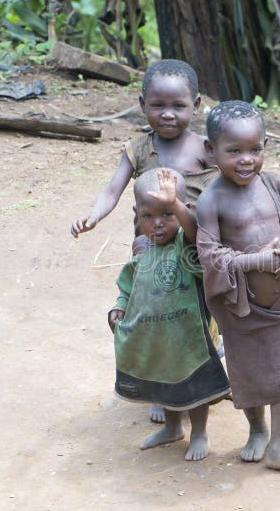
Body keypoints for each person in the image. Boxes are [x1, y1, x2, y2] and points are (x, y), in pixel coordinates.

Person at [70, 59, 220, 422]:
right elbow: (113, 190)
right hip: (151, 247)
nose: (168, 114)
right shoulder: (137, 149)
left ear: (196, 105)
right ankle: (159, 385)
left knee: (200, 311)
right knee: (153, 314)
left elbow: (228, 188)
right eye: (158, 105)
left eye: (179, 106)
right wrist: (93, 215)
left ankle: (206, 371)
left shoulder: (207, 147)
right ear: (142, 105)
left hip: (194, 246)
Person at [196, 101, 280, 474]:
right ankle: (257, 429)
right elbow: (211, 255)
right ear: (211, 151)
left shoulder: (276, 184)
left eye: (255, 149)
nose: (246, 159)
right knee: (249, 371)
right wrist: (256, 262)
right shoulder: (211, 200)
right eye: (234, 151)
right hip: (244, 306)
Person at [108, 168, 229, 461]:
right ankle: (172, 428)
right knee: (163, 387)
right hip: (157, 341)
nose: (158, 224)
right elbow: (128, 286)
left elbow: (195, 231)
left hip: (190, 341)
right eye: (148, 216)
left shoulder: (186, 246)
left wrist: (177, 204)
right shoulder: (143, 253)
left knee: (194, 389)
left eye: (167, 214)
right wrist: (118, 308)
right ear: (137, 215)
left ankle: (199, 433)